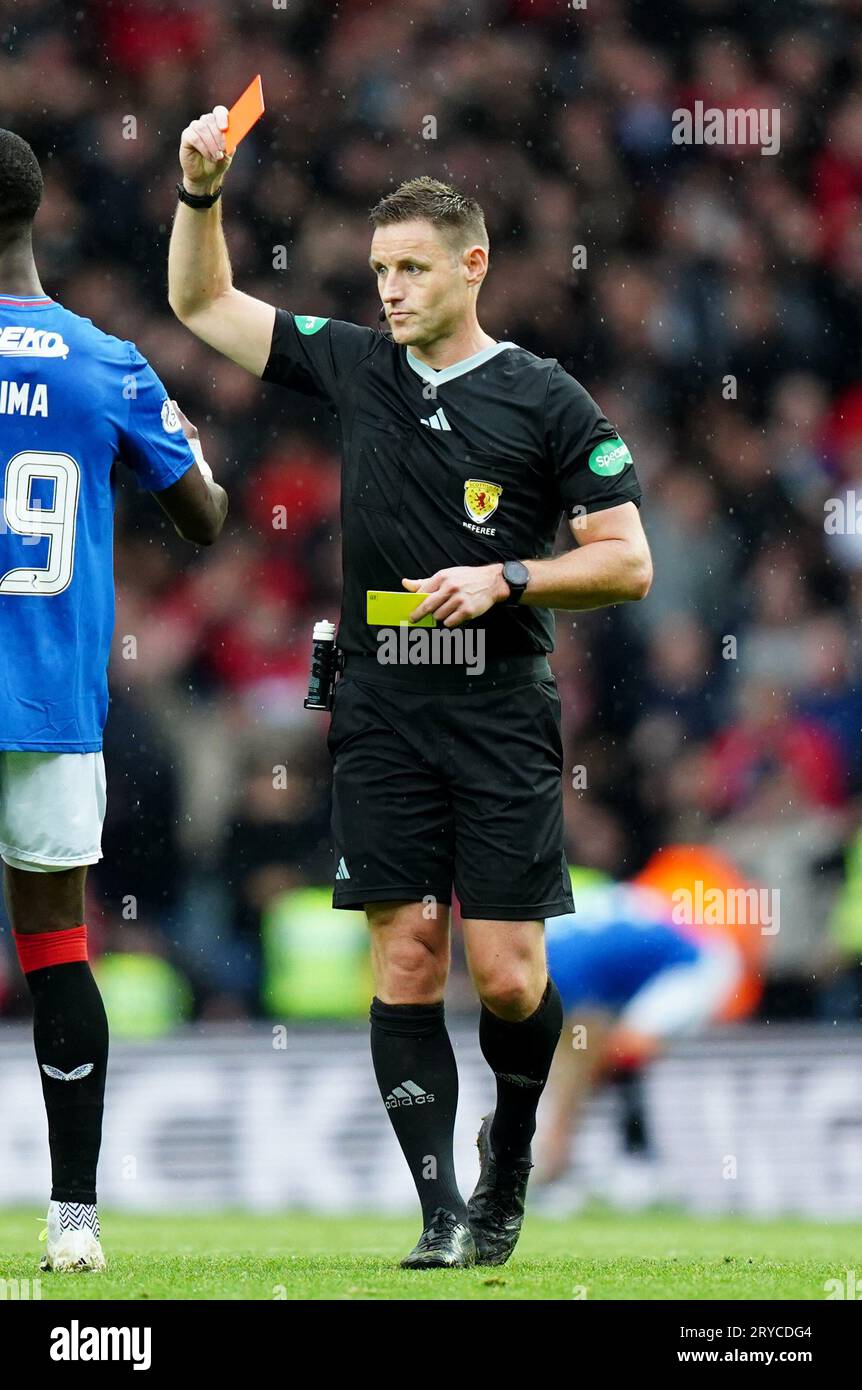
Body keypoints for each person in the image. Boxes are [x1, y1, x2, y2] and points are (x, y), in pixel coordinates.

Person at [168, 106, 652, 1268]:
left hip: (497, 708)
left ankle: (514, 1152)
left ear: (472, 265)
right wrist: (200, 195)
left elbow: (627, 562)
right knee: (405, 954)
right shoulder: (356, 364)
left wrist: (511, 577)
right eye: (379, 269)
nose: (387, 290)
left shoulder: (545, 398)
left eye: (412, 269)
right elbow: (202, 305)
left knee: (508, 969)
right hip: (382, 700)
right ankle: (441, 1211)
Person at [0, 129, 228, 1272]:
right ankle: (74, 1225)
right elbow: (206, 518)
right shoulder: (106, 362)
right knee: (54, 951)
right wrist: (175, 445)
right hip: (47, 704)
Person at [538, 879, 746, 1191]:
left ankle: (637, 1165)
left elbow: (583, 1044)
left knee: (623, 1051)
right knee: (607, 1056)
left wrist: (559, 1126)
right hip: (674, 955)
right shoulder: (554, 934)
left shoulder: (557, 962)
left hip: (697, 964)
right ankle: (626, 1160)